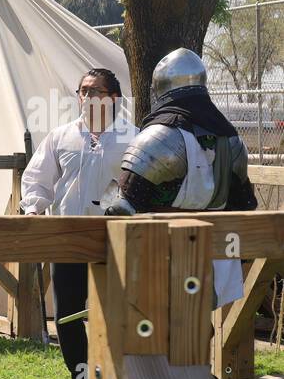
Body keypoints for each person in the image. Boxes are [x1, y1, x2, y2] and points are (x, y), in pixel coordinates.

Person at [105, 47, 257, 304]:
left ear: (161, 90)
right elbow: (244, 204)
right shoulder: (231, 140)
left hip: (158, 254)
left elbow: (121, 207)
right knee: (193, 331)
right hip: (212, 257)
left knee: (160, 334)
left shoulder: (158, 138)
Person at [21, 68, 138, 379]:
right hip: (68, 236)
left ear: (113, 98)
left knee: (119, 310)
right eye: (82, 91)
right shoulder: (61, 136)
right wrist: (33, 208)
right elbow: (37, 177)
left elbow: (145, 187)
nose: (86, 97)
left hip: (116, 237)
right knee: (68, 315)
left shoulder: (134, 137)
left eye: (94, 91)